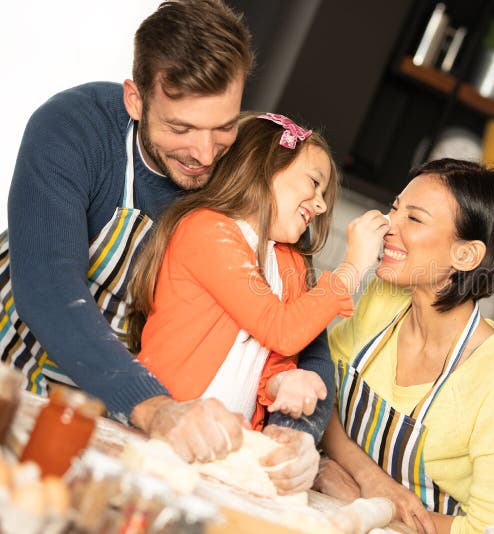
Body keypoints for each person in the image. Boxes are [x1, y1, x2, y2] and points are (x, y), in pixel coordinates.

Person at [0, 0, 328, 491]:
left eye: (222, 126)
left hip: (124, 423)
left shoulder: (248, 169)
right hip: (16, 379)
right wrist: (154, 407)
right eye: (180, 128)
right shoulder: (76, 128)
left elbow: (306, 337)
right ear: (136, 99)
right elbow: (49, 289)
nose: (203, 154)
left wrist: (295, 433)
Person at [127, 112, 388, 435]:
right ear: (263, 164)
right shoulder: (208, 231)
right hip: (161, 428)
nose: (320, 206)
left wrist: (284, 382)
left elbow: (270, 357)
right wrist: (352, 268)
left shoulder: (289, 261)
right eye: (314, 183)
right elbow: (280, 329)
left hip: (226, 442)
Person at [316, 159, 494, 534]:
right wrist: (370, 478)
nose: (387, 225)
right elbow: (320, 389)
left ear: (465, 255)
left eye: (413, 219)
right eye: (394, 208)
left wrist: (368, 505)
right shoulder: (383, 298)